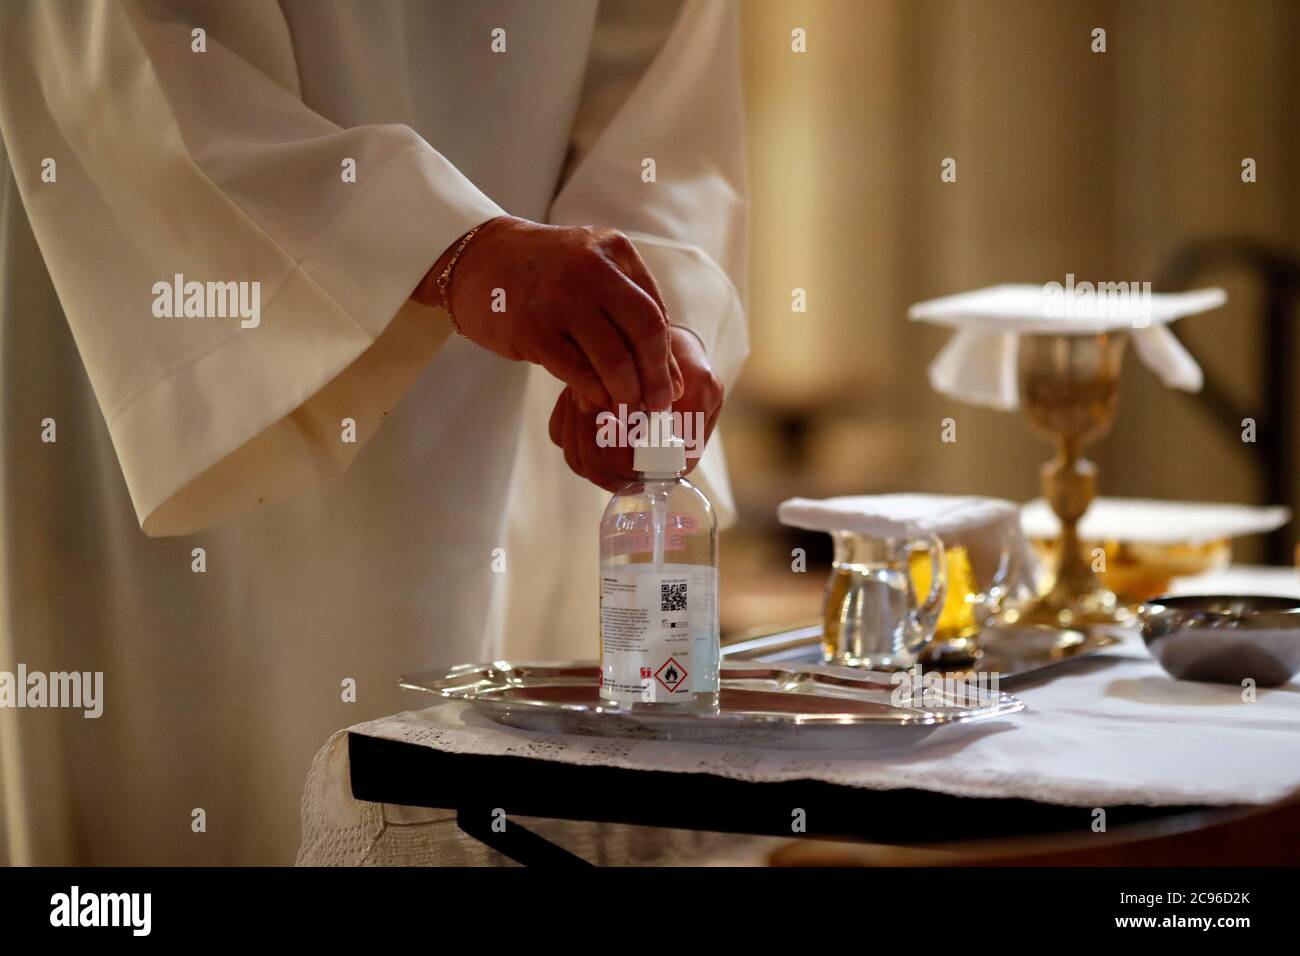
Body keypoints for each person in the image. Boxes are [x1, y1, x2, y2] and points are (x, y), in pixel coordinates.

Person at [0, 0, 747, 864]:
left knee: (472, 790)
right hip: (193, 321)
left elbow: (665, 108)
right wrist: (443, 245)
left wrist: (657, 323)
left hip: (518, 407)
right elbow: (114, 48)